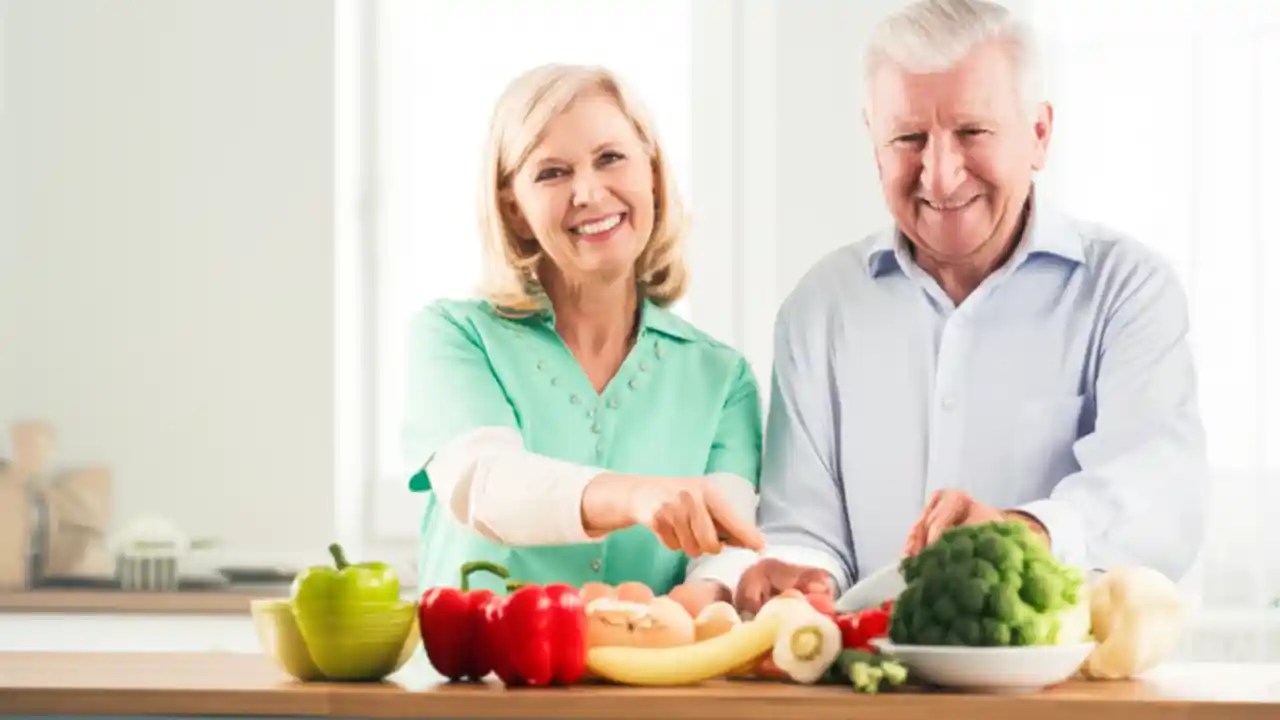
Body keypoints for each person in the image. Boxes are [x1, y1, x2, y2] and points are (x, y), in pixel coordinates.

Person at [734, 0, 1209, 615]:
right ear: (873, 143)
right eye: (908, 138)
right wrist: (802, 578)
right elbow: (804, 525)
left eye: (972, 132)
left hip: (1069, 696)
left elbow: (1159, 496)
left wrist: (1024, 532)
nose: (940, 175)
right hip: (872, 690)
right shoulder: (819, 308)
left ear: (1039, 134)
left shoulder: (1126, 288)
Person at [404, 64, 764, 607]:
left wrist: (683, 610)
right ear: (515, 211)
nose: (589, 193)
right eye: (552, 173)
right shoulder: (455, 336)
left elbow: (728, 540)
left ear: (653, 175)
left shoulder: (722, 376)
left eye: (610, 158)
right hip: (480, 684)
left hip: (649, 680)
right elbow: (486, 485)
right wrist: (636, 496)